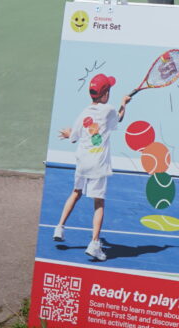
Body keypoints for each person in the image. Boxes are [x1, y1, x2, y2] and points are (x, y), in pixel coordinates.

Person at [52, 73, 132, 262]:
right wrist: (124, 103)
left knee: (76, 192)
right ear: (105, 94)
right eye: (109, 90)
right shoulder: (109, 110)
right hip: (98, 164)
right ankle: (95, 244)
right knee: (99, 203)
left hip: (82, 160)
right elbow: (119, 118)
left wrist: (68, 134)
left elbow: (74, 136)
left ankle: (59, 227)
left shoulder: (84, 112)